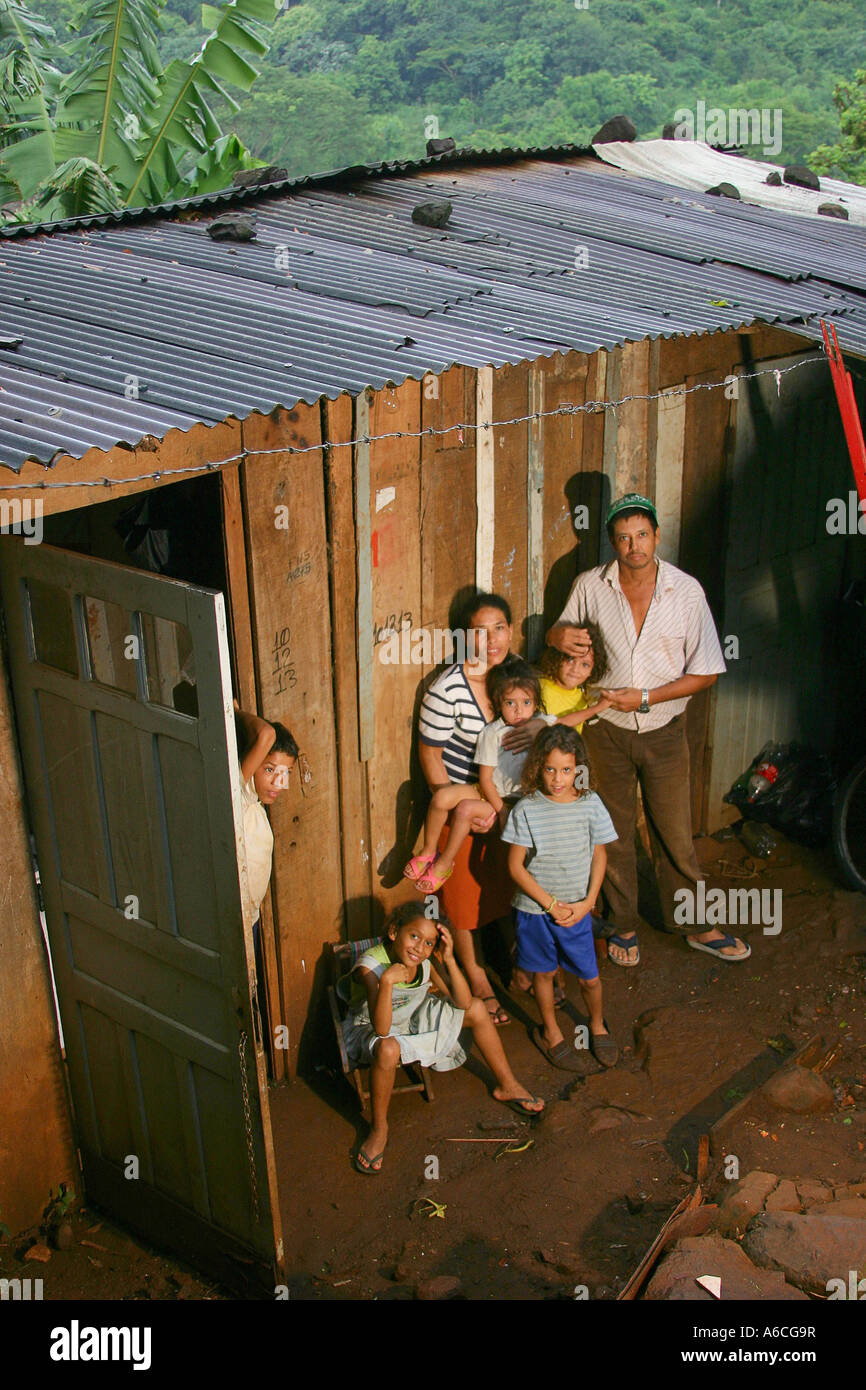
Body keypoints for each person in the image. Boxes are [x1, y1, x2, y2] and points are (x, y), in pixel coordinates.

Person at [545, 493, 748, 966]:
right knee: (612, 832)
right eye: (623, 537)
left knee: (674, 832)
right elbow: (559, 636)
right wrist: (557, 636)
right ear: (613, 542)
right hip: (604, 729)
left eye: (642, 535)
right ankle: (623, 924)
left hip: (663, 727)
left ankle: (697, 924)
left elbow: (708, 671)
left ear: (656, 536)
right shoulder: (589, 585)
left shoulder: (686, 591)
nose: (633, 545)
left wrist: (648, 697)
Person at [342, 902, 545, 1174]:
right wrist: (388, 982)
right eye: (414, 936)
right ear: (393, 932)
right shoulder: (371, 966)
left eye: (428, 943)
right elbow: (381, 1029)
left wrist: (448, 959)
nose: (419, 948)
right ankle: (379, 1128)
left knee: (476, 1008)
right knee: (389, 1048)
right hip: (371, 1029)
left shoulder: (426, 960)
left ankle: (507, 1084)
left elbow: (461, 1003)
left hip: (410, 1020)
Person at [416, 592, 517, 1025]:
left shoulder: (516, 679)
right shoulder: (447, 688)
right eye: (479, 630)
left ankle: (517, 962)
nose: (491, 639)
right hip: (465, 804)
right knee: (462, 901)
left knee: (504, 887)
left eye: (499, 628)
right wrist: (463, 803)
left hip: (507, 804)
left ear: (510, 632)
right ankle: (475, 973)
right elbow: (430, 754)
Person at [502, 725, 619, 1070]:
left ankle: (597, 1025)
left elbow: (600, 855)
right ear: (537, 766)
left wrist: (587, 903)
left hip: (578, 911)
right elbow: (516, 868)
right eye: (550, 769)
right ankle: (551, 1032)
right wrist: (550, 904)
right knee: (543, 975)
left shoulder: (590, 803)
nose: (557, 779)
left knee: (590, 977)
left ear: (579, 768)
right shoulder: (526, 808)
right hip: (535, 912)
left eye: (566, 770)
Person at [405, 659, 555, 894]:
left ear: (535, 703)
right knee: (442, 797)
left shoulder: (542, 724)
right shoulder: (492, 732)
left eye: (526, 702)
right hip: (492, 794)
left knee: (464, 809)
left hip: (519, 802)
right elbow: (485, 779)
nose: (519, 710)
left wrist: (598, 707)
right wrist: (501, 810)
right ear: (498, 703)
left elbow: (568, 724)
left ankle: (444, 864)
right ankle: (428, 851)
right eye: (510, 703)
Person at [233, 700, 298, 955]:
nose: (278, 782)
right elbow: (266, 735)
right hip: (233, 922)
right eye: (269, 769)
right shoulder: (238, 794)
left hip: (251, 918)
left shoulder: (256, 807)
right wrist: (235, 712)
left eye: (286, 772)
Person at [537, 620, 610, 730]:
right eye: (570, 659)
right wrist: (597, 708)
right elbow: (553, 727)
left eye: (585, 665)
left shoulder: (583, 698)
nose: (575, 669)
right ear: (558, 657)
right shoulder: (540, 687)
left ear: (592, 671)